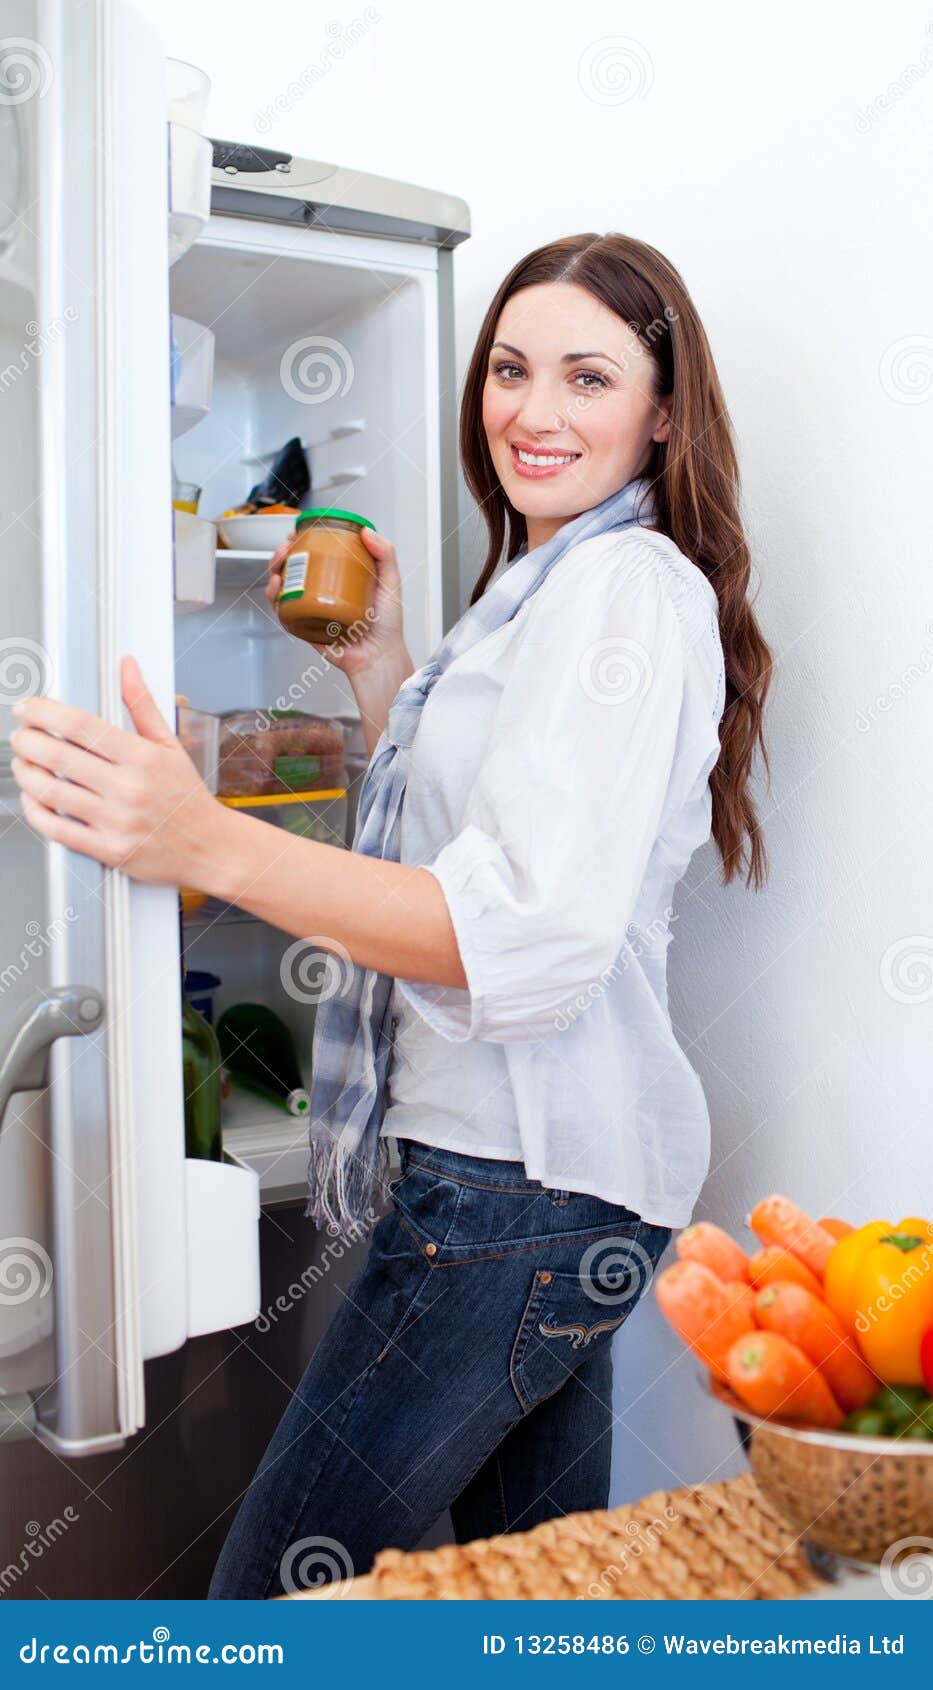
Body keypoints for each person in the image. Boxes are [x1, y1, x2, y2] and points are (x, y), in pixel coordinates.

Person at [10, 233, 772, 1598]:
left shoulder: (619, 589)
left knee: (268, 1605)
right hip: (545, 1188)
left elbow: (521, 938)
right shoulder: (545, 590)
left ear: (662, 410)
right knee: (510, 1593)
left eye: (586, 377)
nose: (532, 411)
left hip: (510, 1190)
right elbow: (478, 848)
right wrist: (384, 679)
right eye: (510, 368)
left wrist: (206, 841)